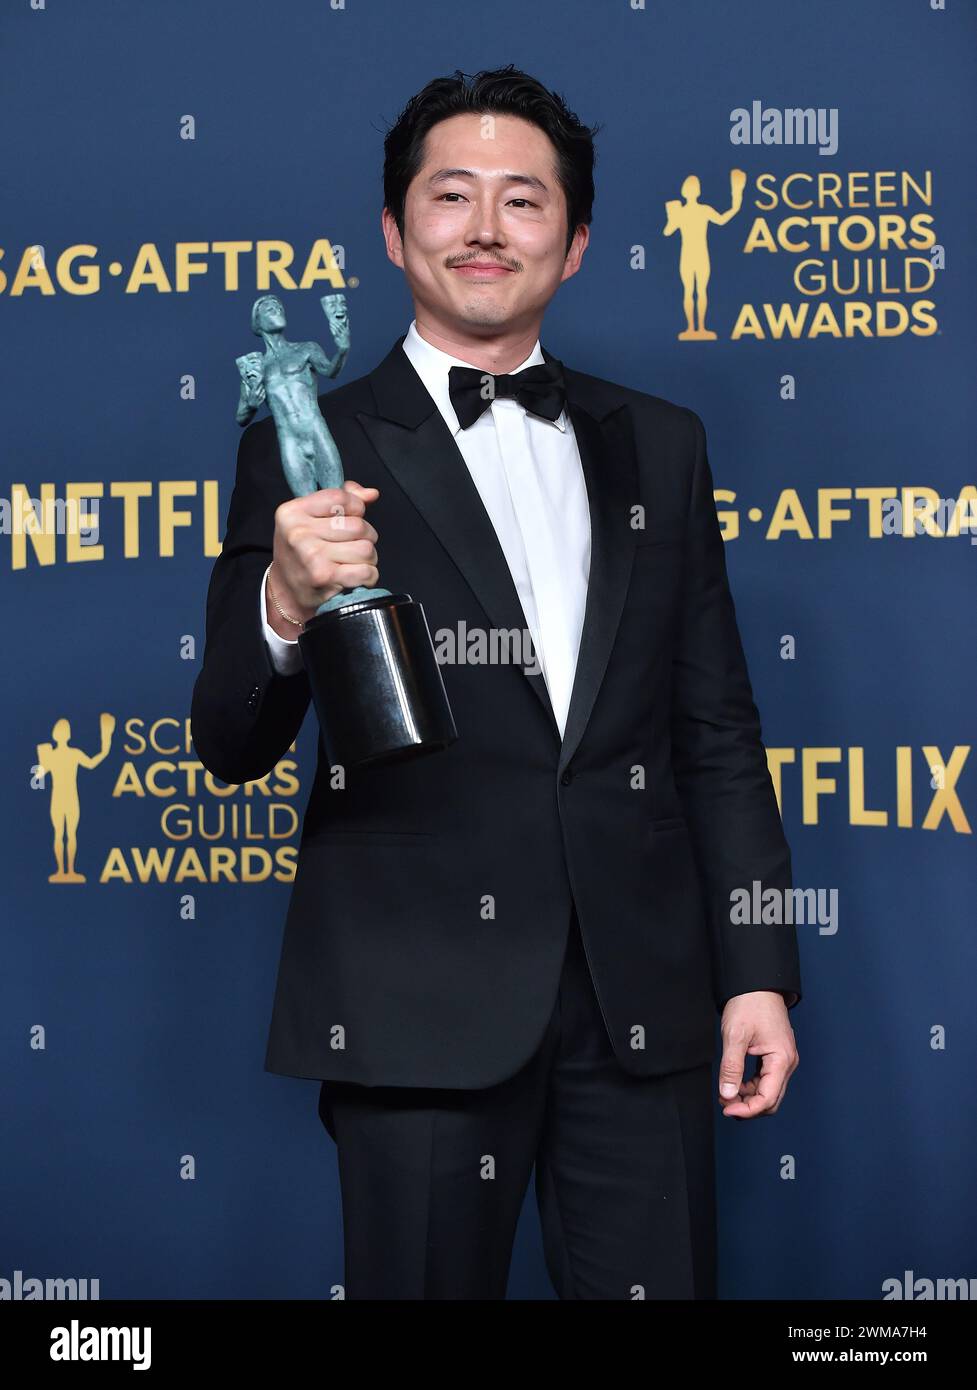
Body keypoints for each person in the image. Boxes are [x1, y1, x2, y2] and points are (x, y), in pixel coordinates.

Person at [190, 65, 802, 1301]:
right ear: (393, 230)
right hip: (414, 1005)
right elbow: (229, 738)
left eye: (521, 202)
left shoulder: (662, 442)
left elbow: (715, 729)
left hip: (641, 1003)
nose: (482, 228)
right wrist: (282, 606)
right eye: (449, 195)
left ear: (574, 244)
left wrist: (755, 970)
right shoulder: (309, 436)